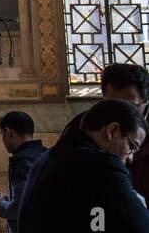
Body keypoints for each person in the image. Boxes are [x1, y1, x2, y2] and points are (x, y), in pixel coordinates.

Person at [17, 99, 149, 233]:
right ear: (112, 131)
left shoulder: (45, 160)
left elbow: (94, 222)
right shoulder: (102, 165)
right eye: (132, 145)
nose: (130, 157)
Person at [18, 62, 149, 220]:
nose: (119, 115)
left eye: (130, 106)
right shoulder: (80, 127)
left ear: (145, 102)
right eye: (111, 104)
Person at [0, 111, 46, 233]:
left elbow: (20, 209)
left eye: (2, 135)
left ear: (8, 132)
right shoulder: (45, 155)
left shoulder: (22, 162)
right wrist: (9, 199)